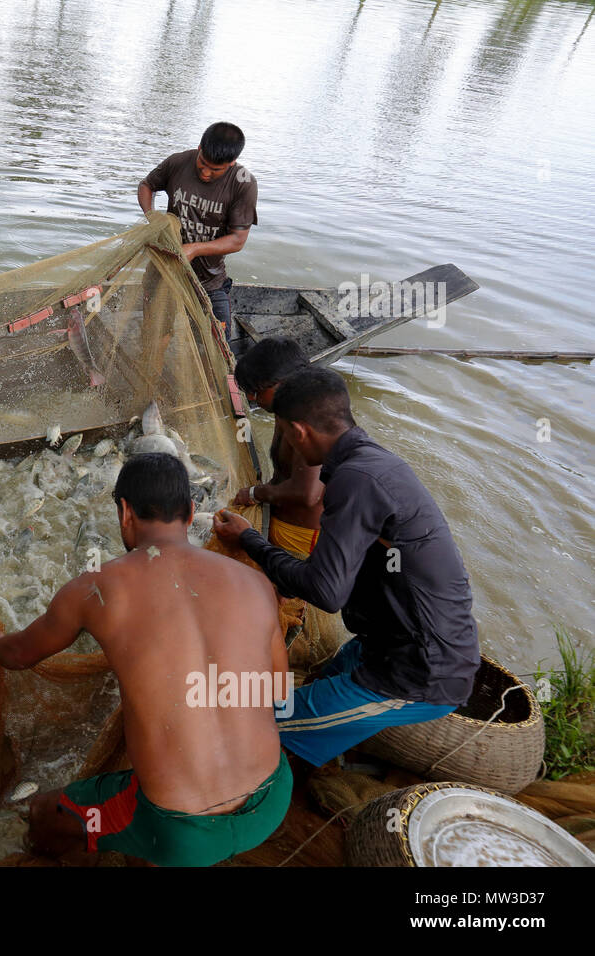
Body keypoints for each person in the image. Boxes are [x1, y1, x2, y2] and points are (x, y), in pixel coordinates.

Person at [0, 454, 292, 866]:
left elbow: (18, 655)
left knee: (42, 814)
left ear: (125, 512)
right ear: (191, 512)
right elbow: (281, 692)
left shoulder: (93, 588)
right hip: (272, 800)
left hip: (179, 831)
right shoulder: (255, 582)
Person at [212, 367, 481, 766]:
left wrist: (251, 541)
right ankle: (323, 736)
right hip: (385, 641)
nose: (287, 444)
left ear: (299, 432)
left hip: (416, 673)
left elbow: (326, 593)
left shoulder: (356, 479)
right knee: (318, 681)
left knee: (254, 724)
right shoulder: (368, 461)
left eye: (284, 434)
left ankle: (278, 767)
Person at [137, 122, 257, 339]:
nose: (205, 172)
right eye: (202, 163)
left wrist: (194, 249)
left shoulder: (243, 183)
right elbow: (146, 186)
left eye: (215, 170)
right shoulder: (179, 161)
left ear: (232, 163)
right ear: (200, 147)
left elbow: (237, 240)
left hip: (209, 280)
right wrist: (152, 216)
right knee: (155, 336)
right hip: (165, 269)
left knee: (217, 346)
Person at [231, 337, 324, 559]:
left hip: (301, 542)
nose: (252, 398)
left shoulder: (310, 418)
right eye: (249, 391)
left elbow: (308, 494)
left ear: (284, 382)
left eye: (258, 390)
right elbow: (283, 475)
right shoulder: (283, 409)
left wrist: (254, 493)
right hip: (277, 522)